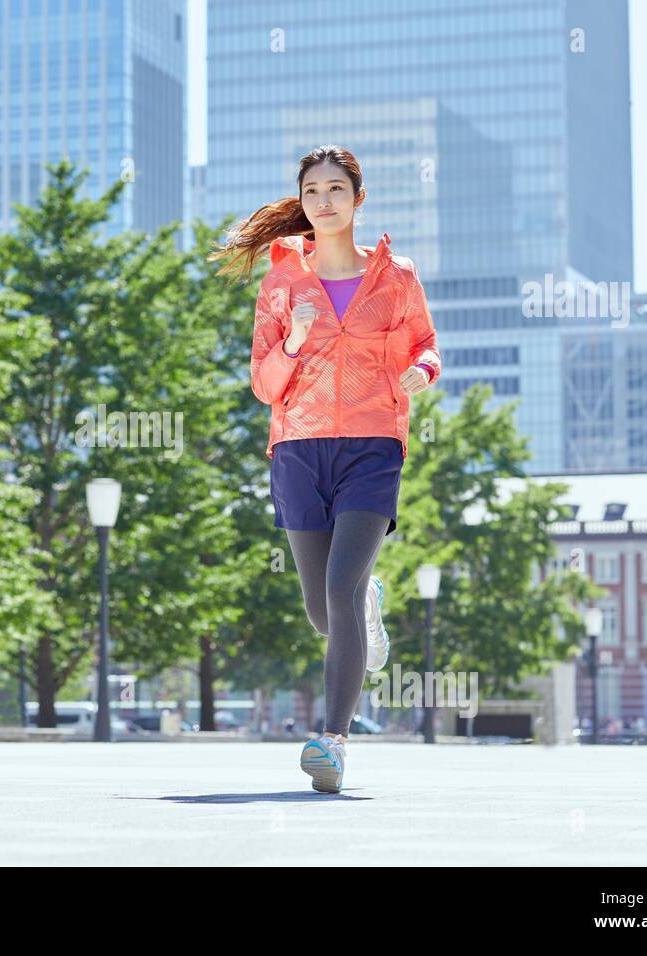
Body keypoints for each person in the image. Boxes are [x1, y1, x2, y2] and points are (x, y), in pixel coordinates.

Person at [209, 146, 440, 794]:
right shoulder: (283, 283)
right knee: (323, 611)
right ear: (303, 202)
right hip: (299, 449)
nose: (324, 201)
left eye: (337, 189)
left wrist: (421, 372)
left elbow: (426, 343)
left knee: (339, 590)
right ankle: (369, 603)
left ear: (358, 199)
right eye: (313, 191)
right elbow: (264, 383)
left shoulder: (396, 275)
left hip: (372, 446)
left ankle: (332, 741)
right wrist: (291, 341)